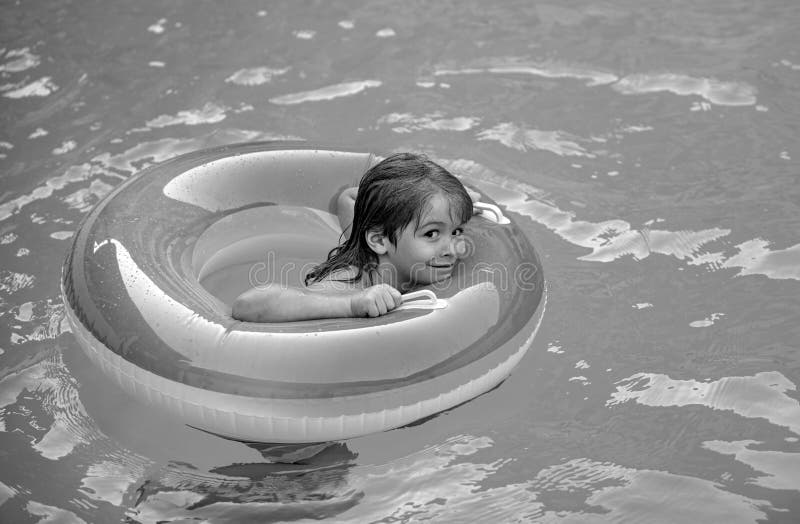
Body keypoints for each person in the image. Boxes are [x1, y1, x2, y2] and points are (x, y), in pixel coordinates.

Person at [231, 152, 474, 322]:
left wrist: (443, 204)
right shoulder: (348, 284)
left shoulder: (381, 243)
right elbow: (247, 305)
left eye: (456, 231)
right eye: (432, 233)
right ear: (379, 241)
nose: (452, 249)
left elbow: (349, 198)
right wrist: (351, 304)